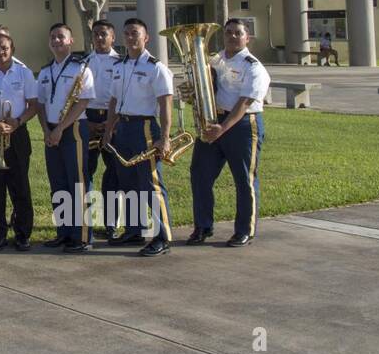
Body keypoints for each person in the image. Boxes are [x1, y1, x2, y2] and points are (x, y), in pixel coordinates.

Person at [188, 18, 271, 247]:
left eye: (238, 33)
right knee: (200, 174)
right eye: (228, 33)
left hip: (243, 125)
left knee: (244, 179)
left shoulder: (254, 66)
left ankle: (245, 230)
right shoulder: (215, 60)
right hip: (214, 121)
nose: (232, 36)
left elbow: (244, 102)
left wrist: (222, 129)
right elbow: (205, 88)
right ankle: (203, 227)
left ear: (247, 38)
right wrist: (191, 92)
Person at [102, 18, 176, 257]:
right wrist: (108, 130)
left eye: (135, 33)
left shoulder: (156, 67)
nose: (130, 38)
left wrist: (164, 138)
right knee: (128, 183)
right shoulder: (120, 66)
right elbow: (113, 101)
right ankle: (135, 230)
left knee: (150, 184)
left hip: (144, 128)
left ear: (146, 38)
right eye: (127, 34)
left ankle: (162, 236)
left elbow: (165, 104)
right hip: (122, 129)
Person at [0, 30, 38, 252]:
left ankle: (22, 234)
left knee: (20, 185)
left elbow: (34, 105)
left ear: (12, 50)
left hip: (17, 134)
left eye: (4, 48)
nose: (0, 52)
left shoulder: (24, 73)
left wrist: (18, 121)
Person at [37, 24, 95, 252]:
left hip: (72, 130)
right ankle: (63, 232)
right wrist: (46, 130)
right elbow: (40, 104)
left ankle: (82, 237)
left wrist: (60, 128)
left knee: (78, 183)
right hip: (51, 131)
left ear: (71, 41)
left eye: (61, 36)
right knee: (58, 184)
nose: (56, 40)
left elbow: (83, 102)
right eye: (52, 37)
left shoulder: (82, 68)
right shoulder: (44, 71)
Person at [84, 19, 123, 239]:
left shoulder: (121, 62)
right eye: (96, 34)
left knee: (114, 173)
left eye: (104, 34)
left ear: (112, 37)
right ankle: (86, 222)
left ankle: (111, 223)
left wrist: (110, 123)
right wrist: (87, 122)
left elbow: (121, 96)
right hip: (87, 117)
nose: (99, 38)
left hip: (113, 120)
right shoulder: (83, 61)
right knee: (85, 171)